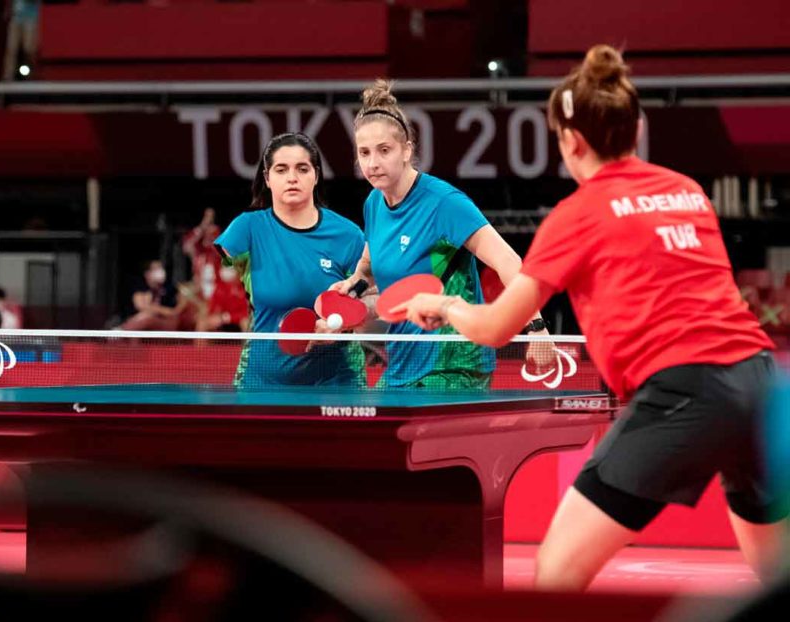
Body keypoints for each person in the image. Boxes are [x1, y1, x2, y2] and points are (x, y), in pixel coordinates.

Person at [391, 46, 787, 589]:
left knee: (556, 574)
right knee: (776, 572)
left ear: (571, 141)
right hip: (761, 383)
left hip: (686, 391)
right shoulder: (687, 191)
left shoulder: (576, 215)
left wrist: (443, 305)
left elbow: (496, 328)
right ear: (637, 128)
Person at [333, 79, 552, 390]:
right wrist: (354, 285)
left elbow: (508, 262)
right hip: (403, 361)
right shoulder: (374, 204)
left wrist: (537, 328)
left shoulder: (443, 203)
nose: (373, 163)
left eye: (384, 150)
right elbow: (369, 266)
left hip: (454, 364)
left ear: (406, 150)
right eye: (364, 152)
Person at [215, 133, 366, 387]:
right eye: (281, 169)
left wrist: (343, 324)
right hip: (262, 382)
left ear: (316, 176)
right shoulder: (246, 229)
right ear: (267, 178)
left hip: (336, 382)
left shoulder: (348, 235)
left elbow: (370, 295)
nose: (292, 177)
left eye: (302, 169)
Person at [119, 259, 187, 331]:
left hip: (166, 322)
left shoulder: (171, 288)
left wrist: (157, 310)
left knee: (146, 318)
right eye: (156, 269)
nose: (160, 271)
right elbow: (141, 306)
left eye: (161, 268)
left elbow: (177, 311)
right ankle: (121, 331)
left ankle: (121, 331)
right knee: (144, 317)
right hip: (140, 321)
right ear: (147, 274)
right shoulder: (141, 287)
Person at [182, 207, 222, 301]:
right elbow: (186, 247)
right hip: (200, 269)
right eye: (207, 216)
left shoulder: (216, 231)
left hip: (214, 270)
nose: (209, 219)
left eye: (212, 216)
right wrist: (201, 229)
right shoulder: (196, 232)